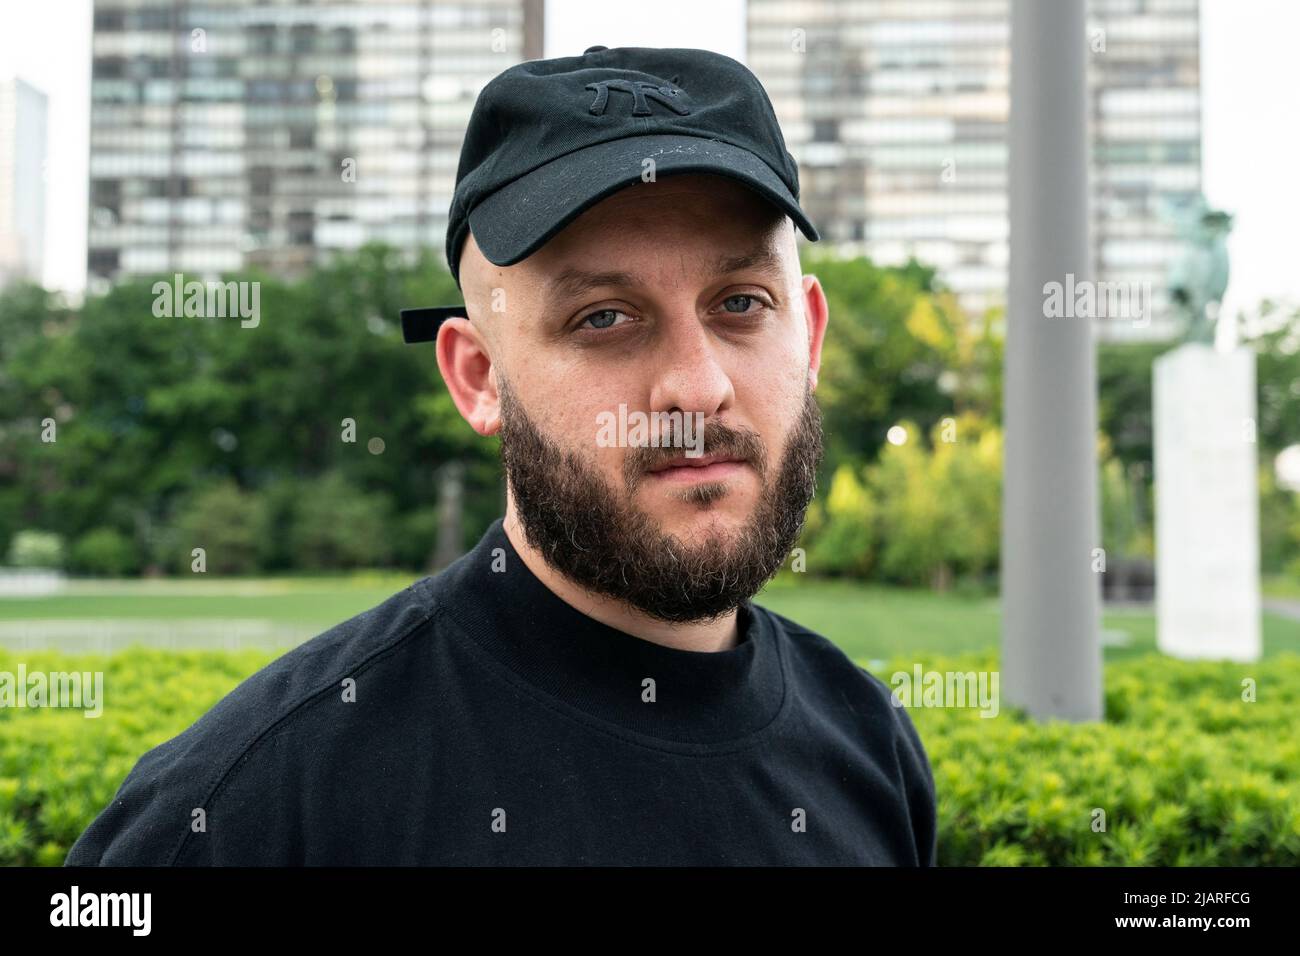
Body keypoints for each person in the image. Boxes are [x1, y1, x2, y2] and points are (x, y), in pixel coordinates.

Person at [66, 45, 937, 866]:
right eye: (604, 316)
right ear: (479, 376)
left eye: (741, 302)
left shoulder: (871, 742)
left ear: (810, 336)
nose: (696, 387)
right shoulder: (254, 803)